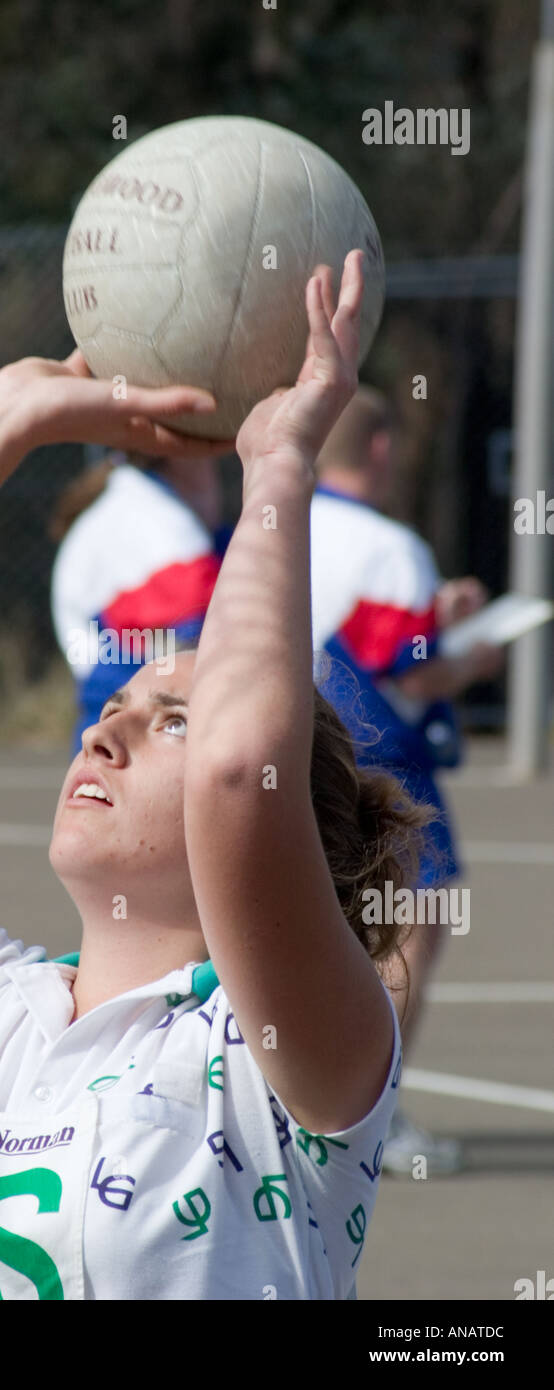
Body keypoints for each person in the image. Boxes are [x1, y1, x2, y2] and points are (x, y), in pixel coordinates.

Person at [0, 252, 427, 1300]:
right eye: (110, 710)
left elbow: (240, 772)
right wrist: (4, 416)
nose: (104, 736)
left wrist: (277, 461)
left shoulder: (282, 1061)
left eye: (168, 719)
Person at [310, 387, 504, 1175]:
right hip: (381, 759)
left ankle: (301, 1098)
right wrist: (475, 656)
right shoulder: (389, 545)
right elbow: (412, 676)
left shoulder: (273, 526)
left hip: (294, 746)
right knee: (410, 929)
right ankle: (368, 1113)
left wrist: (436, 619)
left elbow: (377, 638)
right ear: (382, 449)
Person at [49, 448, 231, 752]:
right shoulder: (160, 527)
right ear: (183, 454)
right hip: (141, 742)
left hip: (113, 730)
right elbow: (208, 651)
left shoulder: (128, 505)